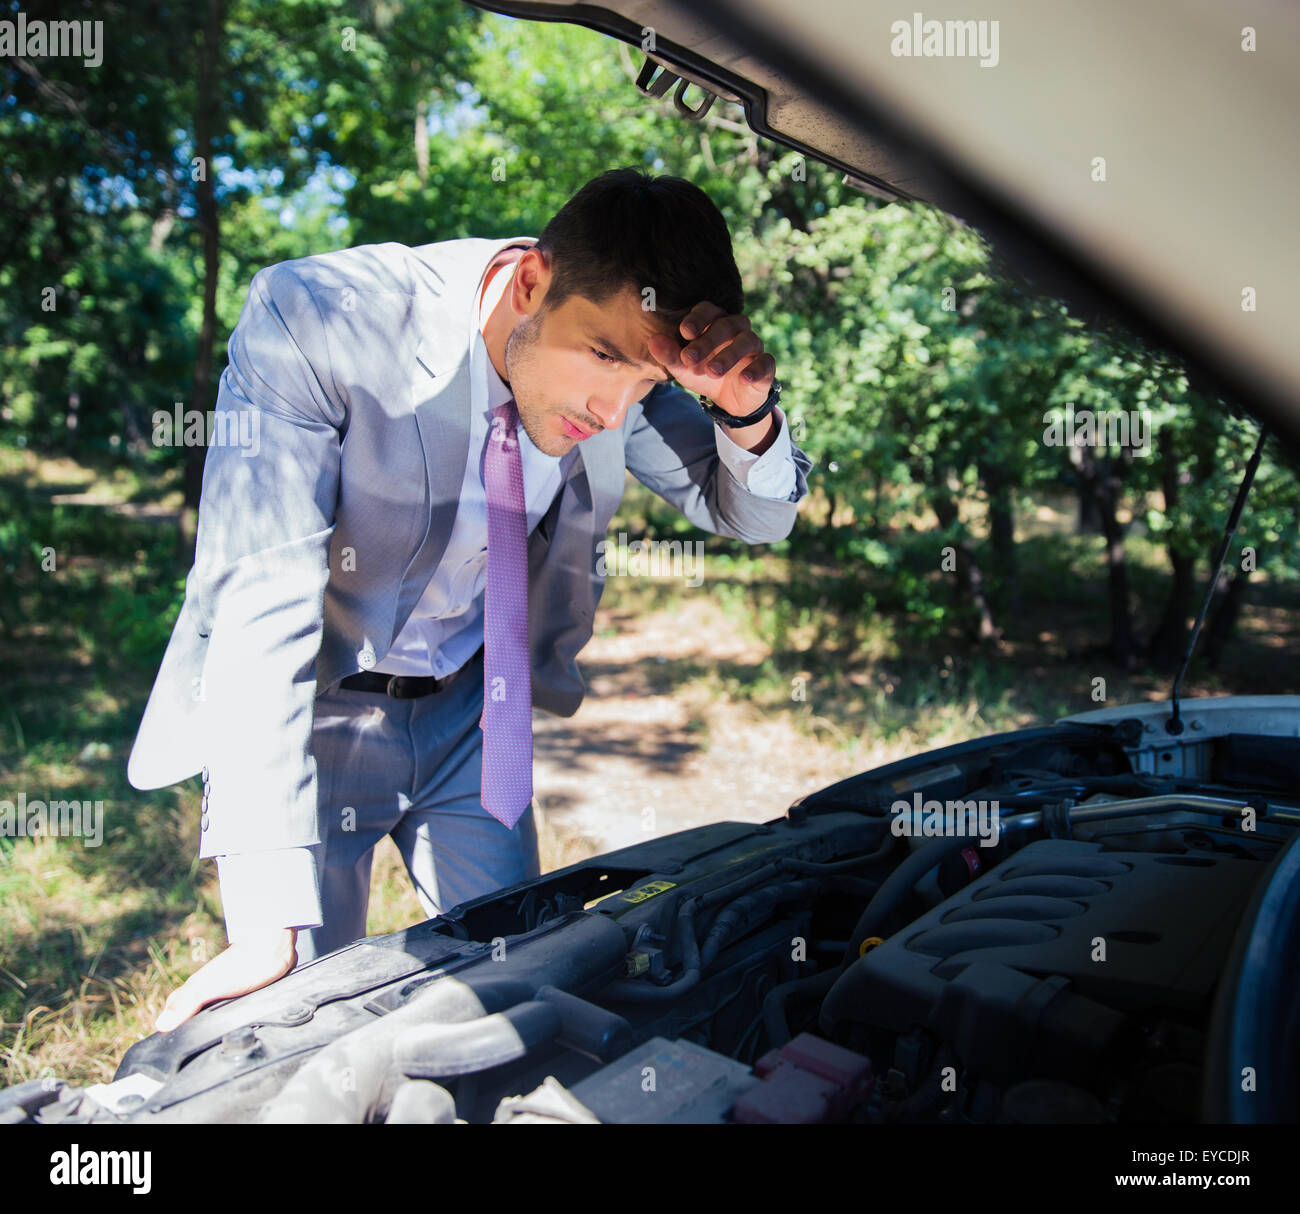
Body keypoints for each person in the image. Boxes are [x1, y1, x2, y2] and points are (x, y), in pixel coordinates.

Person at [127, 167, 812, 1031]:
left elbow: (750, 513)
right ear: (531, 282)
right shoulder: (319, 317)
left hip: (473, 717)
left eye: (646, 384)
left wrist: (747, 415)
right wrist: (264, 919)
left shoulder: (618, 380)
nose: (612, 414)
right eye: (604, 358)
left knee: (520, 988)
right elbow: (259, 596)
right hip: (318, 711)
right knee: (297, 1011)